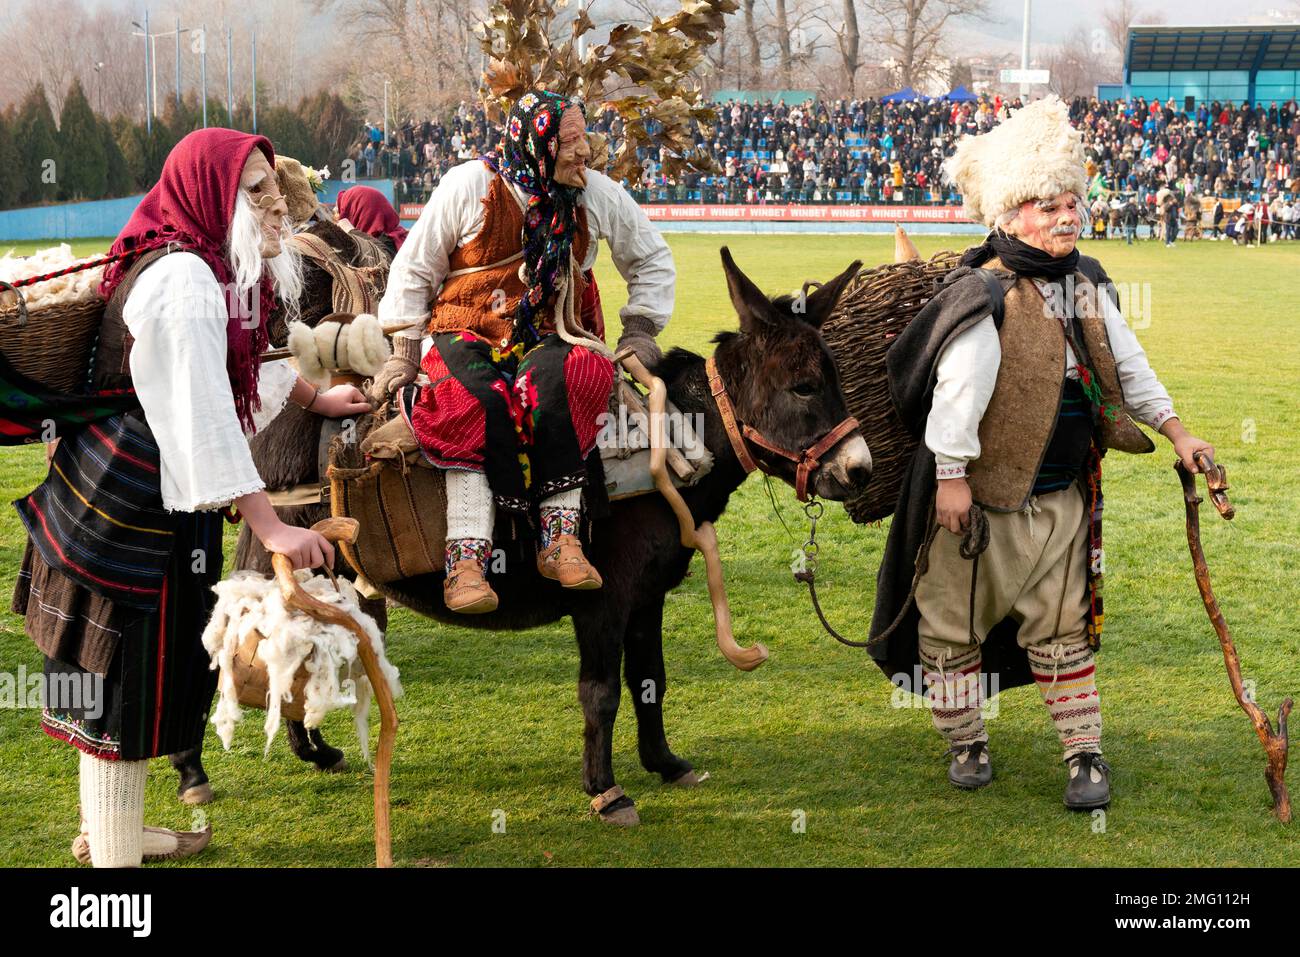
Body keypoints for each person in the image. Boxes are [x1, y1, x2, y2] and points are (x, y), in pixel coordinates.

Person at [10, 129, 371, 867]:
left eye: (275, 186)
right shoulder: (184, 282)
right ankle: (114, 869)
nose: (276, 204)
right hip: (129, 505)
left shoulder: (209, 267)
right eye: (255, 190)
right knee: (119, 687)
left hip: (145, 498)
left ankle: (115, 829)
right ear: (211, 196)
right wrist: (270, 526)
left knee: (128, 684)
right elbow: (202, 409)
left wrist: (318, 400)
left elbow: (241, 372)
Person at [867, 96, 1216, 811]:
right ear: (1008, 215)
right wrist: (954, 479)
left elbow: (1130, 367)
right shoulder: (983, 293)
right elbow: (956, 395)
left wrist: (1179, 431)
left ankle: (1084, 757)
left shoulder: (1086, 283)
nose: (1066, 216)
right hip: (977, 508)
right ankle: (968, 741)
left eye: (1071, 201)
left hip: (1062, 501)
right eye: (1046, 205)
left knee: (1063, 633)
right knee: (950, 627)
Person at [371, 90, 675, 614]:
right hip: (464, 330)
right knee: (474, 400)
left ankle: (561, 543)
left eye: (585, 140)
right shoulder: (471, 185)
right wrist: (403, 350)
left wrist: (640, 331)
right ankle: (465, 565)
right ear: (537, 143)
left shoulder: (593, 194)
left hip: (552, 334)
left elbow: (651, 259)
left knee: (572, 377)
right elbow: (414, 269)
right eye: (571, 142)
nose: (584, 154)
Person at [336, 184, 409, 257]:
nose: (337, 215)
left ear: (359, 212)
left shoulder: (388, 243)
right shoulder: (400, 237)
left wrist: (352, 232)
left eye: (341, 211)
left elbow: (383, 259)